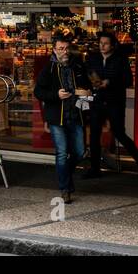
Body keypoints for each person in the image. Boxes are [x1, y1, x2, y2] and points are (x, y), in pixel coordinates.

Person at [34, 34, 90, 203]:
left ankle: (65, 175)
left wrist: (87, 93)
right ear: (54, 50)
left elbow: (87, 87)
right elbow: (38, 92)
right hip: (57, 118)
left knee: (80, 152)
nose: (64, 52)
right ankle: (65, 189)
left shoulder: (78, 66)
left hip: (76, 115)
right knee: (61, 153)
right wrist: (56, 95)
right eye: (60, 49)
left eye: (66, 48)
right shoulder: (49, 69)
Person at [85, 32, 138, 179]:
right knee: (94, 134)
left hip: (115, 101)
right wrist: (92, 82)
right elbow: (87, 73)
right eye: (100, 43)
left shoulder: (120, 59)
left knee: (119, 132)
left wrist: (109, 82)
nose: (102, 46)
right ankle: (95, 168)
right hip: (98, 100)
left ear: (112, 45)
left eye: (105, 43)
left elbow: (128, 80)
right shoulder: (93, 58)